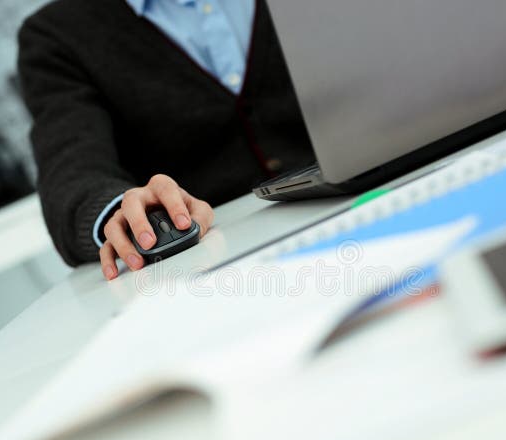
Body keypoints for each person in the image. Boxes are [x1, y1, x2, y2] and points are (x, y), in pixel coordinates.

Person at [18, 0, 315, 279]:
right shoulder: (57, 34)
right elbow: (71, 172)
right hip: (209, 271)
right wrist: (125, 211)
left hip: (352, 212)